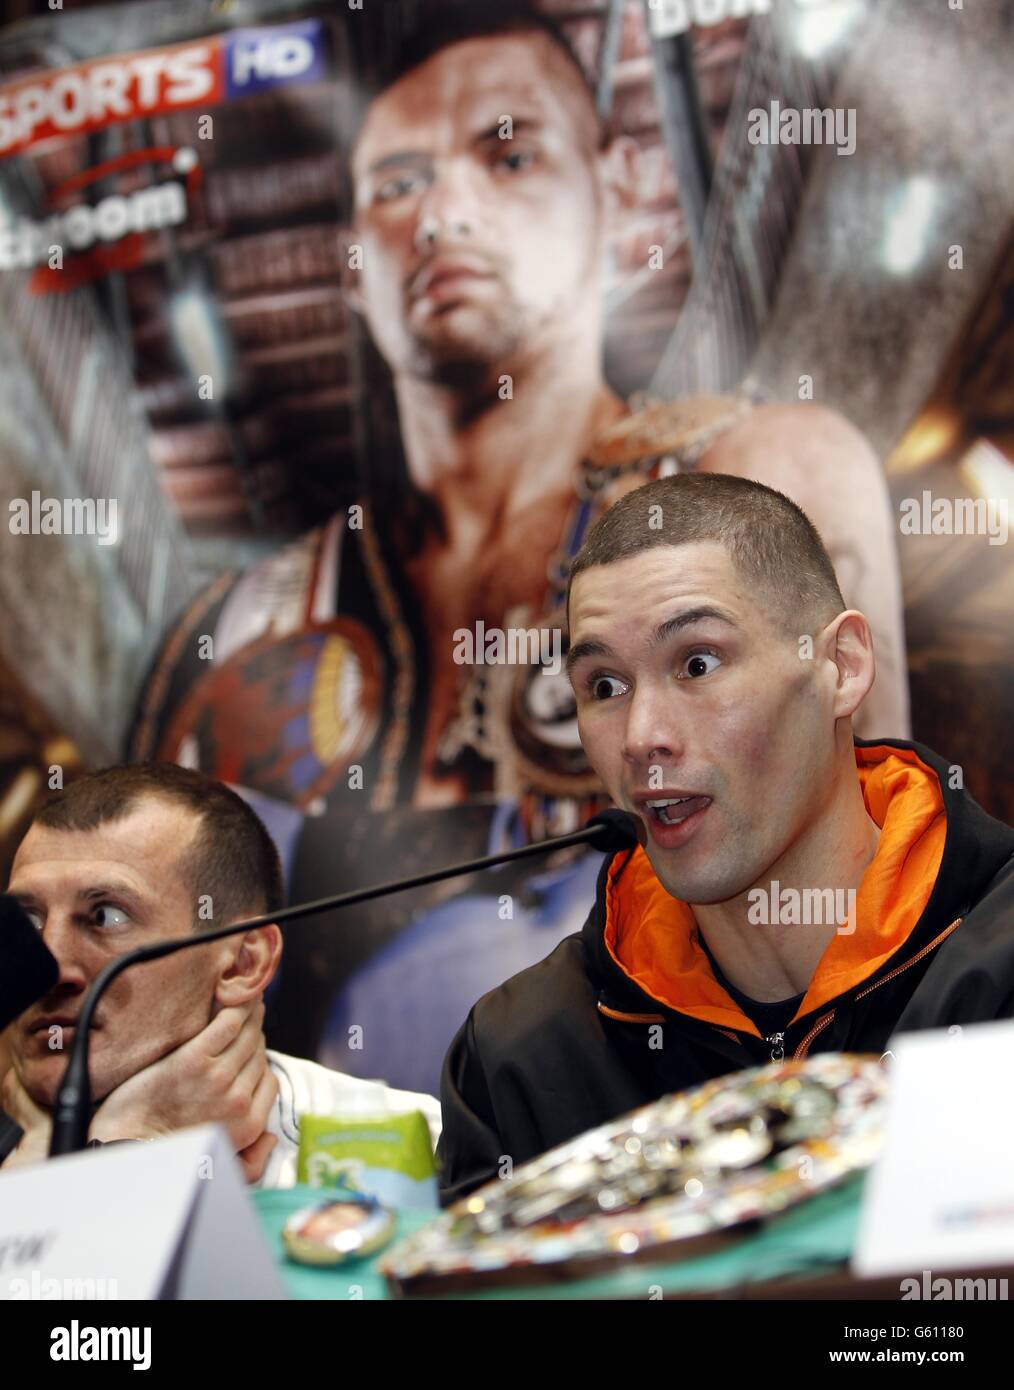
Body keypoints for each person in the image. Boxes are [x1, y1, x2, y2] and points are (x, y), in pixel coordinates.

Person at [130, 2, 909, 1080]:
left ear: (624, 184)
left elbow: (876, 903)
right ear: (353, 257)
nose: (442, 211)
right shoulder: (245, 627)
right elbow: (163, 1005)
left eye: (508, 154)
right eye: (397, 185)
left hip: (718, 1177)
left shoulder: (760, 477)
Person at [436, 472, 1014, 1204]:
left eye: (698, 664)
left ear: (841, 667)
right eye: (604, 687)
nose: (643, 738)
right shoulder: (521, 1055)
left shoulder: (997, 966)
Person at [0, 764, 440, 1185]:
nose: (47, 966)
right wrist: (138, 1142)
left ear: (243, 963)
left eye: (106, 916)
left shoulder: (416, 1157)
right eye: (28, 920)